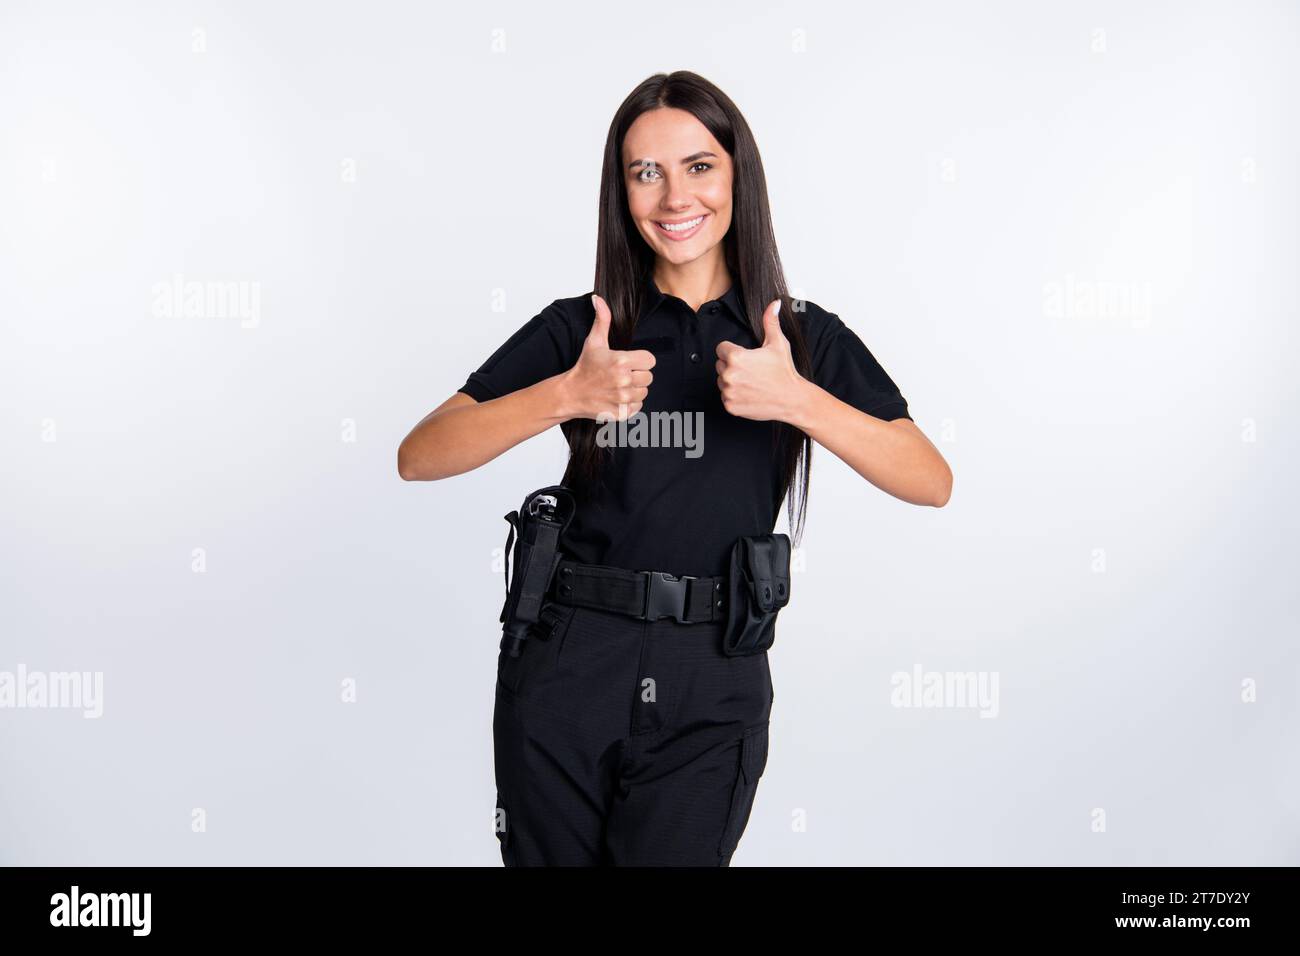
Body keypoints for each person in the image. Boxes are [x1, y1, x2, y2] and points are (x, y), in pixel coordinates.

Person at [398, 71, 953, 866]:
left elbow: (930, 479)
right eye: (644, 172)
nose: (672, 199)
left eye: (698, 166)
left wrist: (797, 400)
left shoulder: (797, 338)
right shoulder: (587, 328)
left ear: (736, 176)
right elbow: (420, 455)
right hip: (568, 661)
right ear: (620, 191)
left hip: (714, 672)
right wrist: (567, 392)